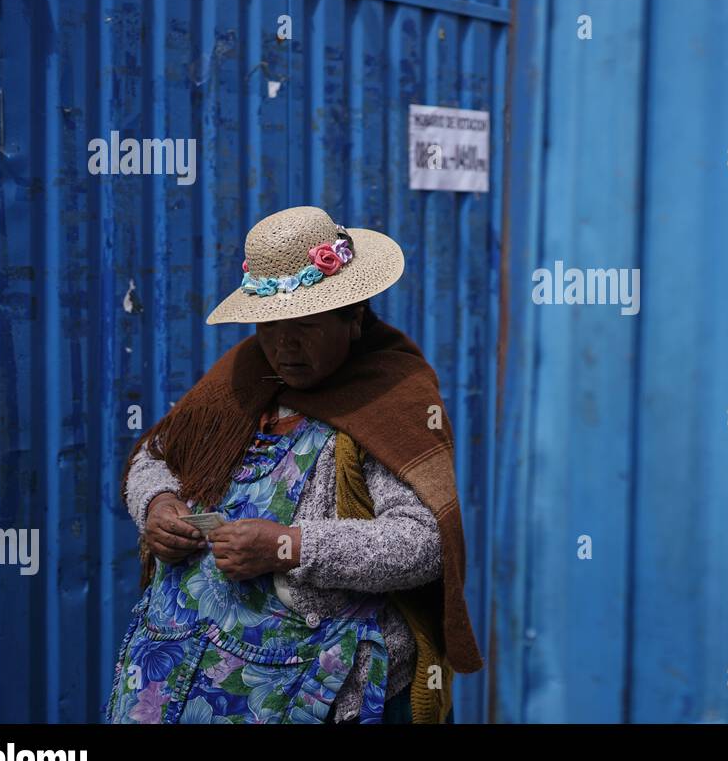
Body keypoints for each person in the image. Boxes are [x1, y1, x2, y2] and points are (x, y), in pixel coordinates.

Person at [103, 205, 483, 724]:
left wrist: (288, 545)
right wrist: (159, 504)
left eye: (304, 326)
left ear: (353, 317)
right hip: (180, 673)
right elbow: (155, 455)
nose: (283, 347)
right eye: (270, 326)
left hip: (307, 688)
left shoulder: (390, 401)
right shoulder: (240, 379)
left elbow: (421, 544)